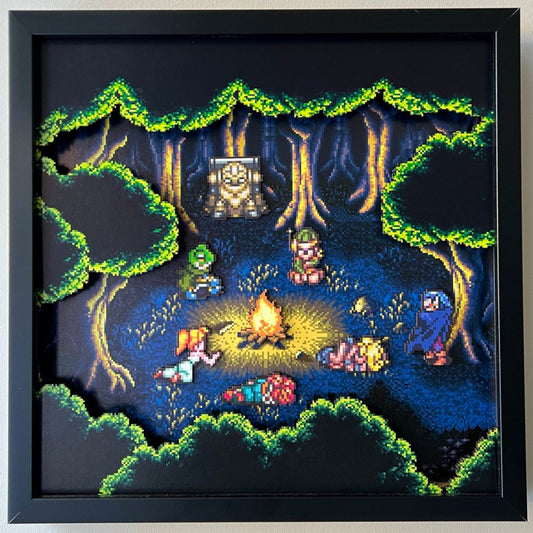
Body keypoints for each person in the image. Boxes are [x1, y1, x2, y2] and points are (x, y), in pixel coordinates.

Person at [406, 290, 453, 366]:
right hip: (428, 335)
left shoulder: (444, 313)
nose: (431, 303)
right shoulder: (424, 314)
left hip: (437, 336)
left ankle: (438, 354)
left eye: (433, 300)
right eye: (428, 300)